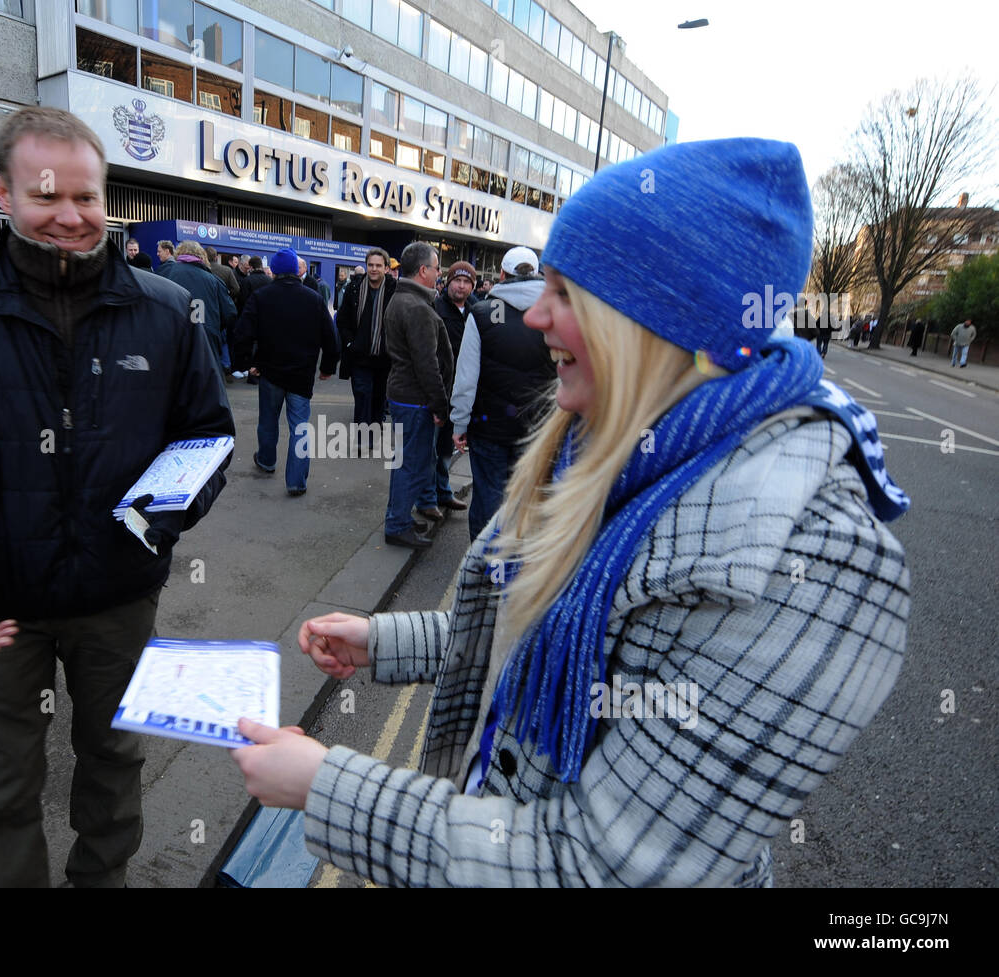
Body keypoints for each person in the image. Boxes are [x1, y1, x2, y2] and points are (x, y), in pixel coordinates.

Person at [231, 137, 911, 888]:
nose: (533, 316)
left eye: (567, 292)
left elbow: (599, 865)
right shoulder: (594, 438)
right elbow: (511, 635)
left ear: (655, 318)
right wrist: (378, 640)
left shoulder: (815, 561)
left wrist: (325, 785)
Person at [0, 107, 234, 888]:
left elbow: (204, 437)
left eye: (87, 197)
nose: (70, 216)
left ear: (107, 196)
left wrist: (153, 521)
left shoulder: (165, 311)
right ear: (2, 192)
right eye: (46, 196)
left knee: (115, 760)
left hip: (119, 595)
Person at [450, 246, 554, 541]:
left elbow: (466, 378)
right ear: (535, 274)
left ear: (502, 275)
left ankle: (484, 569)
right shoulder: (556, 314)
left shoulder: (481, 313)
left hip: (489, 427)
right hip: (538, 427)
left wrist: (459, 423)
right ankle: (517, 567)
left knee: (487, 499)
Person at [232, 248, 338, 496]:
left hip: (270, 372)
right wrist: (327, 368)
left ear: (275, 271)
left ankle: (267, 460)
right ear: (296, 270)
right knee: (300, 427)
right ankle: (296, 481)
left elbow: (242, 333)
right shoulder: (313, 299)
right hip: (301, 375)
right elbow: (330, 338)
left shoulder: (261, 297)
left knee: (268, 421)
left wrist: (246, 362)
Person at [381, 242, 451, 549]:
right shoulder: (417, 307)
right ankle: (398, 525)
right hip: (414, 399)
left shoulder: (402, 299)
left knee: (403, 463)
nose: (439, 274)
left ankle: (401, 520)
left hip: (403, 395)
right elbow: (428, 364)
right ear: (423, 270)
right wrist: (440, 405)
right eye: (437, 268)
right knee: (409, 464)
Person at [424, 259, 478, 521]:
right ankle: (426, 499)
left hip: (463, 391)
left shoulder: (478, 310)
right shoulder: (435, 307)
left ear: (473, 285)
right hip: (439, 388)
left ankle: (443, 492)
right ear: (447, 281)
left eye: (466, 281)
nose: (461, 285)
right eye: (457, 280)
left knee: (447, 447)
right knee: (430, 447)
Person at [336, 248, 396, 443]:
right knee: (362, 396)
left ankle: (374, 435)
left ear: (386, 268)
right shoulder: (355, 288)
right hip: (359, 356)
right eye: (371, 265)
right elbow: (342, 320)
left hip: (384, 358)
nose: (374, 269)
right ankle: (362, 440)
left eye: (378, 265)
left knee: (378, 399)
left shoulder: (394, 291)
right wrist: (350, 342)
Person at [158, 239, 238, 378]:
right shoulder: (213, 280)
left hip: (173, 341)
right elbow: (230, 313)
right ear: (202, 257)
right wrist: (214, 324)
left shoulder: (165, 275)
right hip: (206, 342)